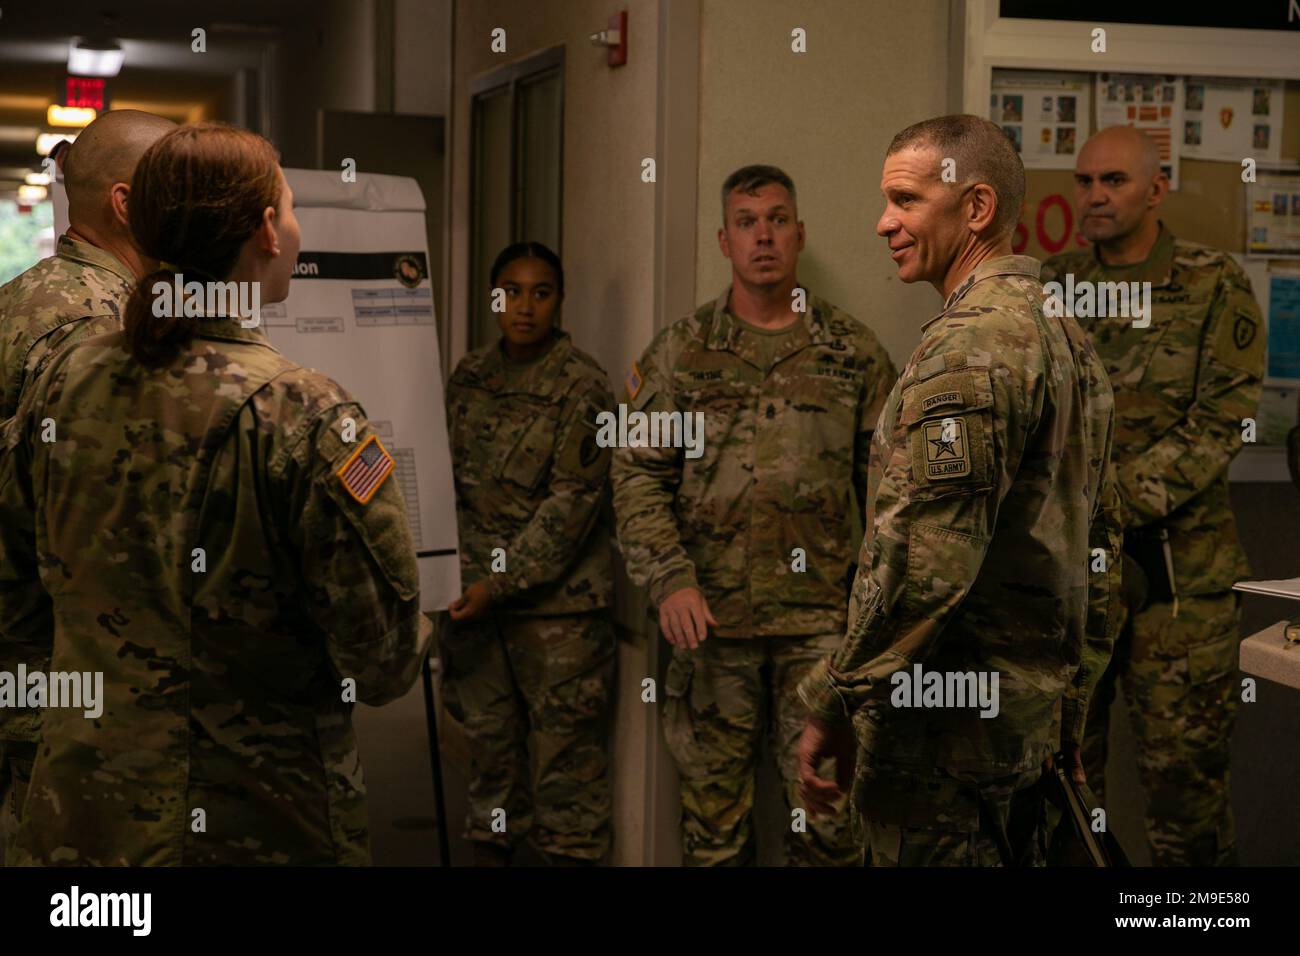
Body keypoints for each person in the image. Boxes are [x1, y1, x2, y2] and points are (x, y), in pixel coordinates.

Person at [0, 121, 430, 865]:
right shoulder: (305, 414)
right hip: (257, 823)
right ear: (267, 230)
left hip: (84, 815)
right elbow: (383, 663)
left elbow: (16, 575)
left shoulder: (66, 380)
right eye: (289, 209)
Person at [796, 115, 1117, 867]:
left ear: (974, 208)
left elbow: (927, 565)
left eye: (904, 200)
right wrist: (1071, 719)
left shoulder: (969, 344)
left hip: (944, 746)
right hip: (1022, 736)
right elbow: (1101, 554)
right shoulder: (1066, 333)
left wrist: (837, 696)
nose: (884, 223)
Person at [612, 165, 897, 866]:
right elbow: (637, 475)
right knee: (714, 834)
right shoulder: (679, 355)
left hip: (822, 633)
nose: (763, 235)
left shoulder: (854, 353)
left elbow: (895, 492)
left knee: (827, 825)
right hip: (711, 628)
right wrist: (670, 578)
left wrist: (873, 607)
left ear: (799, 235)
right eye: (747, 222)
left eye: (776, 219)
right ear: (723, 240)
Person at [1042, 125, 1265, 866]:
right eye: (1084, 182)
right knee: (1063, 787)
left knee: (1184, 796)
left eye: (1113, 181)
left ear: (1156, 189)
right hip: (1073, 585)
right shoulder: (1054, 286)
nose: (1094, 196)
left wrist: (1112, 501)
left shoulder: (1212, 282)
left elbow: (1224, 419)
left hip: (1179, 591)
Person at [0, 109, 176, 855]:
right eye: (183, 184)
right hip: (71, 675)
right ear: (129, 202)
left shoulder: (29, 295)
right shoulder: (96, 330)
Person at [442, 241, 616, 866]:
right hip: (477, 611)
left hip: (557, 617)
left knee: (566, 781)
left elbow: (570, 507)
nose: (524, 306)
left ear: (558, 302)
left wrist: (497, 582)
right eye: (511, 292)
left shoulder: (584, 386)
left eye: (540, 293)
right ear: (494, 300)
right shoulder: (469, 378)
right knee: (489, 765)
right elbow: (448, 487)